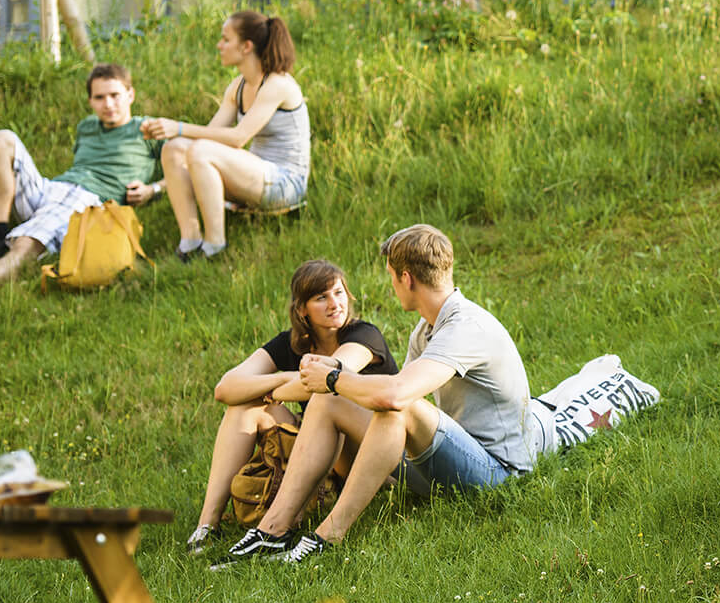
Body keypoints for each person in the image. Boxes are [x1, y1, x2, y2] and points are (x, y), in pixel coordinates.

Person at [212, 225, 534, 566]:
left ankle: (327, 536)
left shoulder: (466, 328)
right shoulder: (426, 330)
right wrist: (329, 386)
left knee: (396, 405)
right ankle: (274, 532)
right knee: (330, 399)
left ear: (406, 279)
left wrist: (333, 378)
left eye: (392, 277)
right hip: (443, 463)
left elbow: (397, 397)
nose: (393, 285)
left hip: (497, 472)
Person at [186, 260, 399, 554]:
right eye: (321, 298)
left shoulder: (363, 336)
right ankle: (207, 526)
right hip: (320, 446)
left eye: (338, 293)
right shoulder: (291, 345)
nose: (334, 304)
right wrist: (284, 376)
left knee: (329, 396)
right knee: (242, 409)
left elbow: (328, 379)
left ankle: (288, 518)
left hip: (368, 453)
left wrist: (272, 387)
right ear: (302, 310)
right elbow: (225, 389)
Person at [0, 63, 164, 305]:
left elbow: (182, 164)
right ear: (90, 101)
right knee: (0, 139)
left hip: (87, 201)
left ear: (130, 95)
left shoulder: (147, 129)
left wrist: (154, 189)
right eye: (99, 97)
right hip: (52, 188)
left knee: (26, 243)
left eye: (115, 95)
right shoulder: (86, 126)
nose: (108, 104)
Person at [141, 10, 309, 261]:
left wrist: (177, 126)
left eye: (225, 39)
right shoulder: (238, 87)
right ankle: (190, 242)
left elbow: (238, 138)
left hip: (286, 183)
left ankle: (214, 246)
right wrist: (156, 187)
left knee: (197, 148)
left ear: (246, 46)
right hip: (255, 178)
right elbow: (204, 141)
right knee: (175, 148)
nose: (219, 45)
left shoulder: (278, 84)